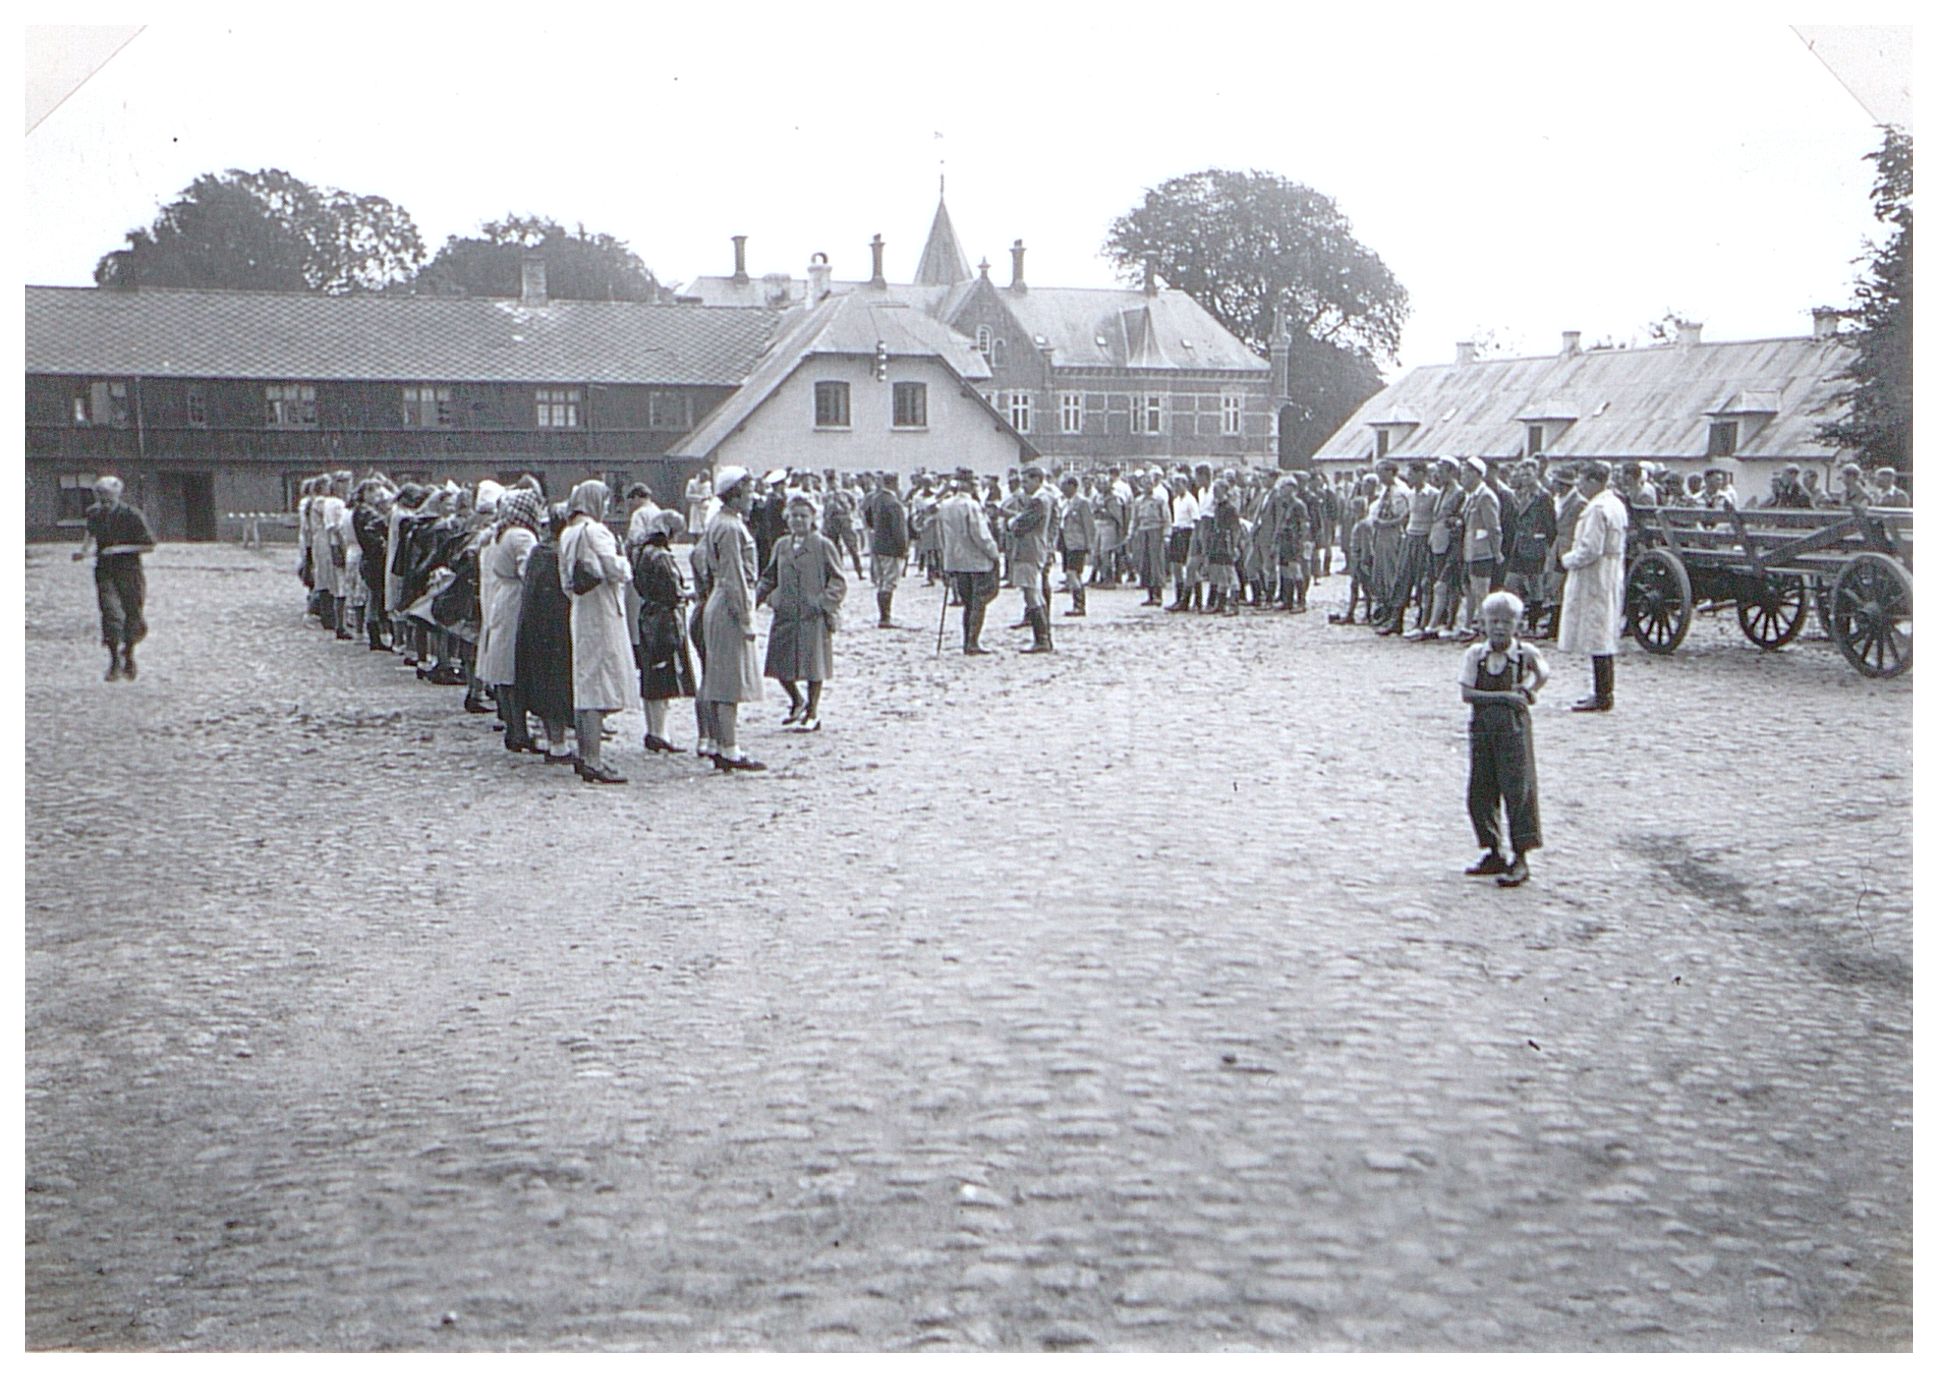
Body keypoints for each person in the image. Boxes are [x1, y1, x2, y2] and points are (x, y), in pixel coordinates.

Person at [1460, 589, 1548, 889]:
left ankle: (1521, 856)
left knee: (1518, 789)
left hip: (1514, 731)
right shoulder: (1476, 655)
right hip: (1483, 730)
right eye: (1493, 621)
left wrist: (1529, 689)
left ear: (1517, 625)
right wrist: (1506, 696)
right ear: (1483, 622)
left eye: (1506, 622)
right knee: (1480, 791)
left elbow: (1544, 672)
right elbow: (1467, 693)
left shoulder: (1524, 654)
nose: (1499, 627)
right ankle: (1493, 850)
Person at [559, 480, 637, 784]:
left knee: (584, 681)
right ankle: (593, 758)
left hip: (581, 609)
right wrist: (623, 558)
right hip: (602, 611)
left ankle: (585, 754)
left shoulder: (567, 533)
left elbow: (566, 580)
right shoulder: (596, 531)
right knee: (599, 683)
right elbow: (616, 569)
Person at [758, 494, 847, 731]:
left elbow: (838, 580)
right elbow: (769, 577)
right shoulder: (781, 545)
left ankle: (813, 712)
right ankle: (797, 701)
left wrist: (822, 603)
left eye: (803, 516)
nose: (798, 520)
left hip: (812, 617)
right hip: (785, 614)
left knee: (813, 665)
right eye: (793, 516)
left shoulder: (822, 545)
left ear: (812, 518)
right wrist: (760, 598)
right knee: (779, 663)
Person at [700, 467, 768, 771]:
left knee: (719, 676)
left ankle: (718, 741)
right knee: (728, 680)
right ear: (735, 495)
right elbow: (735, 576)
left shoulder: (721, 522)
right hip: (728, 605)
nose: (751, 499)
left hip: (718, 599)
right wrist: (745, 617)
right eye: (747, 493)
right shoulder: (730, 528)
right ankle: (729, 748)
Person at [476, 488, 545, 755]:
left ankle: (512, 726)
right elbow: (528, 570)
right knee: (514, 666)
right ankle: (519, 730)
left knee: (503, 666)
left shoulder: (501, 533)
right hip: (517, 599)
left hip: (502, 596)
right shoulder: (522, 536)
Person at [1557, 460, 1628, 712]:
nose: (1579, 486)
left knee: (1597, 632)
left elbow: (1590, 549)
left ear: (1594, 481)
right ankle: (1602, 691)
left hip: (1595, 574)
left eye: (1582, 481)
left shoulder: (1598, 508)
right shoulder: (1614, 504)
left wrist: (1568, 560)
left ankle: (1602, 694)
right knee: (1602, 630)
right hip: (1609, 572)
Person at [73, 475, 156, 681]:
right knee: (110, 614)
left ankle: (128, 655)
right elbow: (90, 535)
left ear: (118, 495)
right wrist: (83, 552)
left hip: (129, 571)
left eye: (109, 497)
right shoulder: (94, 514)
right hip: (105, 570)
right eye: (101, 498)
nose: (105, 502)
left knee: (132, 614)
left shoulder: (132, 515)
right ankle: (113, 660)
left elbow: (150, 545)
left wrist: (120, 549)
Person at [632, 508, 696, 755]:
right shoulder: (662, 557)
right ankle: (660, 732)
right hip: (664, 619)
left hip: (648, 613)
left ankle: (652, 730)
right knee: (664, 675)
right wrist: (686, 594)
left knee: (650, 676)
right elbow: (672, 590)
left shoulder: (641, 552)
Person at [940, 469, 1001, 654]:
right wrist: (994, 553)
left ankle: (968, 640)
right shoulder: (971, 505)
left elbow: (942, 535)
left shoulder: (945, 505)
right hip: (976, 561)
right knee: (979, 601)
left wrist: (947, 559)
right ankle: (972, 642)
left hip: (956, 560)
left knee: (967, 602)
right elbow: (980, 535)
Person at [1008, 464, 1057, 651]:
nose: (1023, 486)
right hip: (1037, 547)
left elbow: (1021, 525)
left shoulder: (1038, 500)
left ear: (1037, 479)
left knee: (1031, 594)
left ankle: (1042, 639)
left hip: (1029, 548)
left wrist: (1011, 521)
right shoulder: (1047, 497)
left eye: (1026, 481)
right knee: (1034, 593)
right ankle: (1044, 636)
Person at [1454, 458, 1500, 641]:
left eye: (1465, 474)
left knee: (1482, 592)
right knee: (1471, 590)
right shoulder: (1472, 497)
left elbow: (1493, 527)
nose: (1462, 478)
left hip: (1482, 552)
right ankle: (1476, 625)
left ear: (1476, 474)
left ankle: (1485, 630)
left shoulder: (1485, 496)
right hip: (1471, 550)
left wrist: (1496, 552)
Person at [860, 471, 909, 628]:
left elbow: (867, 517)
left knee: (882, 580)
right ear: (894, 483)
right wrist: (903, 548)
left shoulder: (875, 499)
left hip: (878, 544)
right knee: (889, 582)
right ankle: (885, 618)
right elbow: (899, 530)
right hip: (891, 548)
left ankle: (883, 616)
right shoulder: (894, 503)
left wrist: (876, 530)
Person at [1055, 474, 1094, 617]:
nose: (1062, 489)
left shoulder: (1082, 503)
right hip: (1066, 542)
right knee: (1070, 573)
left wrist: (1089, 544)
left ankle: (1079, 604)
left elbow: (1088, 525)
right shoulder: (1065, 502)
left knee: (1073, 573)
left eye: (1065, 486)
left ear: (1073, 486)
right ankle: (1076, 603)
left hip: (1078, 543)